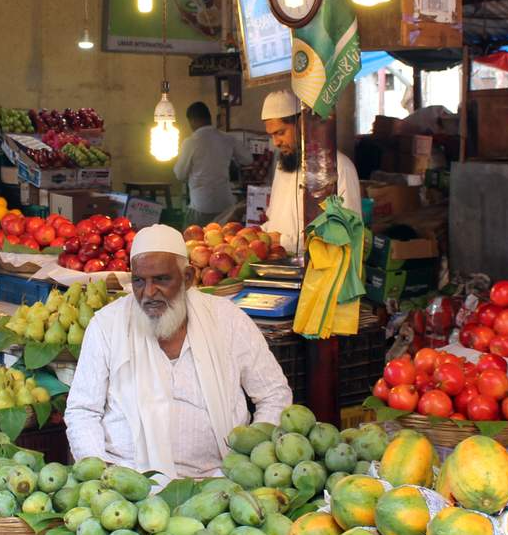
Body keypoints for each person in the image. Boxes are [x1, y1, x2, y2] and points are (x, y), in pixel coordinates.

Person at [64, 225, 292, 480]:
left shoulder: (228, 320)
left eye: (161, 279)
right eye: (139, 281)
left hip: (219, 482)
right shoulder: (107, 325)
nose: (148, 293)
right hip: (127, 484)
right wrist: (101, 474)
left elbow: (273, 394)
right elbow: (83, 410)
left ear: (188, 278)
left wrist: (252, 460)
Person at [261, 89, 361, 255]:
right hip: (280, 267)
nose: (276, 142)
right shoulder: (282, 166)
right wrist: (257, 235)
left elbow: (348, 233)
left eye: (280, 133)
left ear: (301, 124)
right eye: (271, 135)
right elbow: (275, 220)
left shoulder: (340, 166)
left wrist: (286, 242)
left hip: (317, 274)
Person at [173, 102, 252, 226]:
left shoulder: (190, 142)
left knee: (195, 242)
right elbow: (248, 159)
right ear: (209, 118)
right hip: (226, 206)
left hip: (201, 207)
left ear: (192, 121)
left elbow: (180, 174)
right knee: (225, 242)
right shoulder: (228, 139)